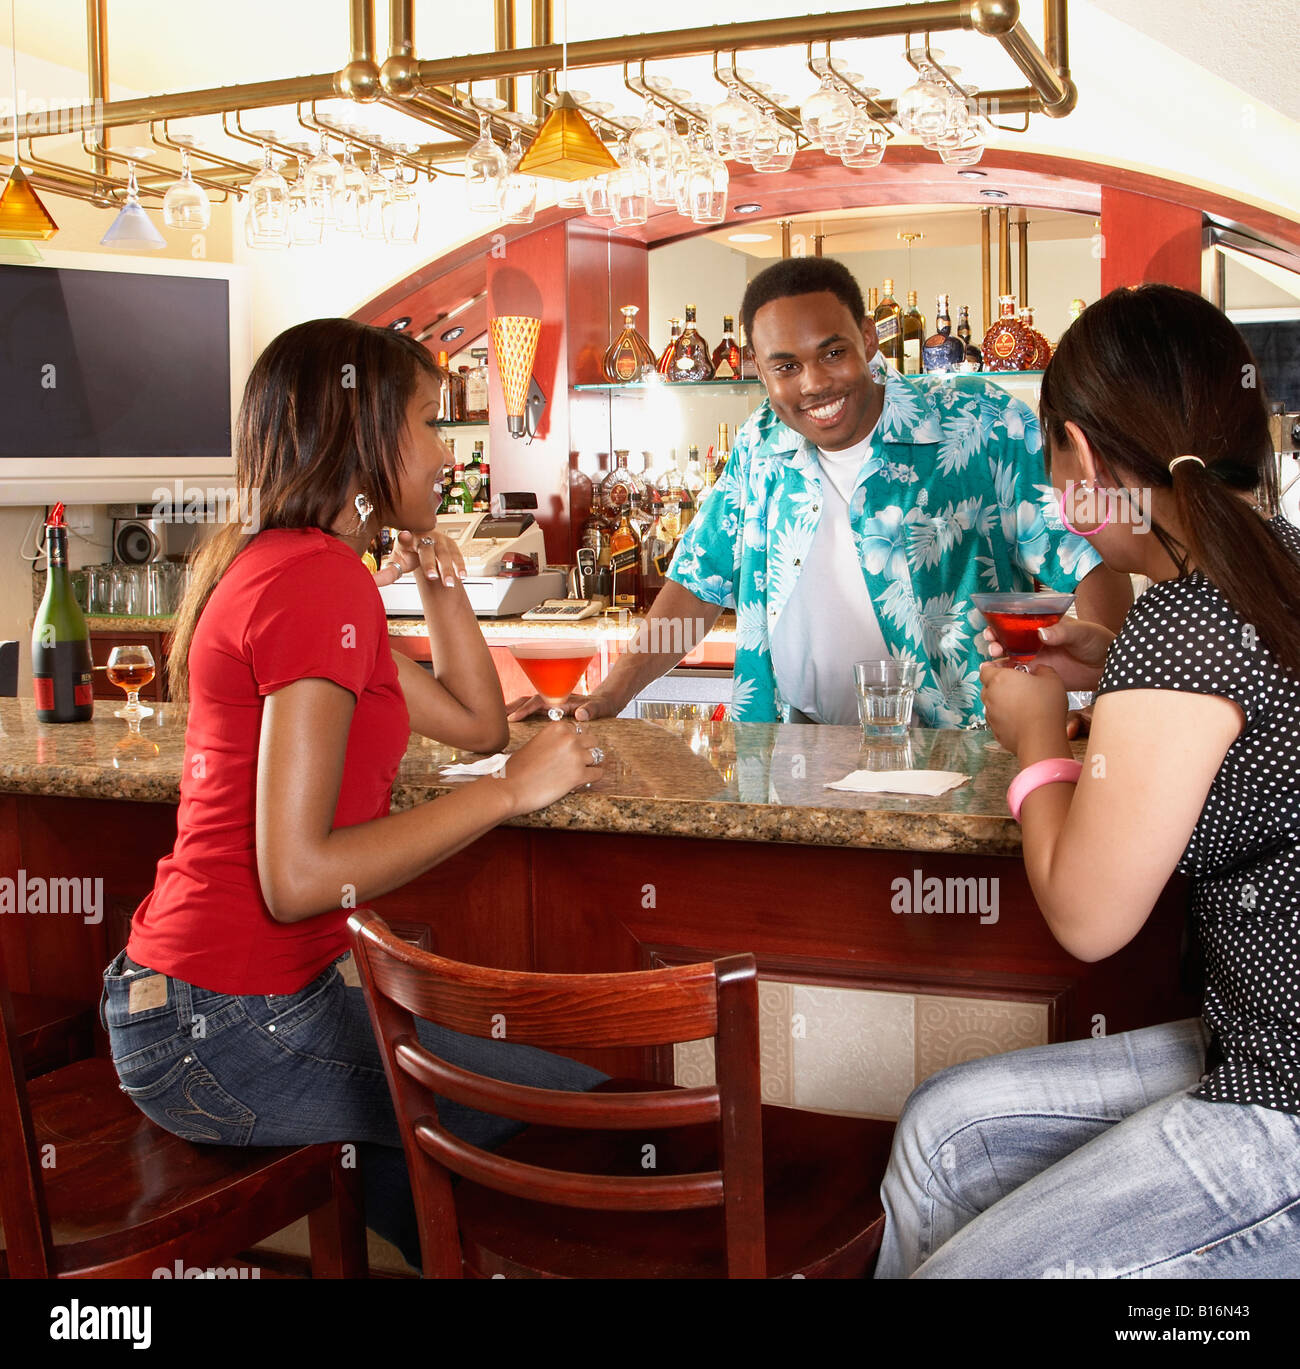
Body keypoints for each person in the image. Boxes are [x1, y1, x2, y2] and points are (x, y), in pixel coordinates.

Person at [98, 319, 607, 1273]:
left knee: (442, 1195)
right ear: (365, 431)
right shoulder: (315, 581)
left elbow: (476, 719)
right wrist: (507, 794)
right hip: (228, 1019)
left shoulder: (314, 572)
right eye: (427, 421)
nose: (445, 446)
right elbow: (298, 878)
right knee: (575, 1109)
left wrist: (439, 576)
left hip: (206, 1001)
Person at [875, 283, 1300, 1279]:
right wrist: (1113, 669)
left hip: (1282, 1093)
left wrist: (1034, 736)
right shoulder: (1270, 571)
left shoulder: (1183, 619)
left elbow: (1086, 915)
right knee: (944, 1135)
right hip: (1258, 1046)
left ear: (1076, 453)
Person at [509, 256, 1132, 728]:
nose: (812, 384)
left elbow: (1095, 559)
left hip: (957, 746)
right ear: (758, 367)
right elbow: (697, 585)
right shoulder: (759, 445)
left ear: (869, 337)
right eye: (785, 366)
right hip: (788, 744)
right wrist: (608, 697)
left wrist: (1112, 704)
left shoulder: (980, 422)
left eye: (832, 352)